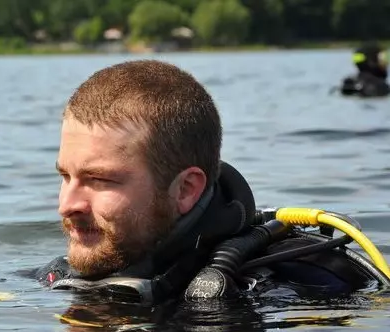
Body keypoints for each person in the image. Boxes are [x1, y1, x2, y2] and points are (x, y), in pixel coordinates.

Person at [36, 60, 390, 304]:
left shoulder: (297, 287)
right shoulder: (75, 269)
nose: (67, 204)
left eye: (100, 180)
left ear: (186, 189)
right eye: (65, 176)